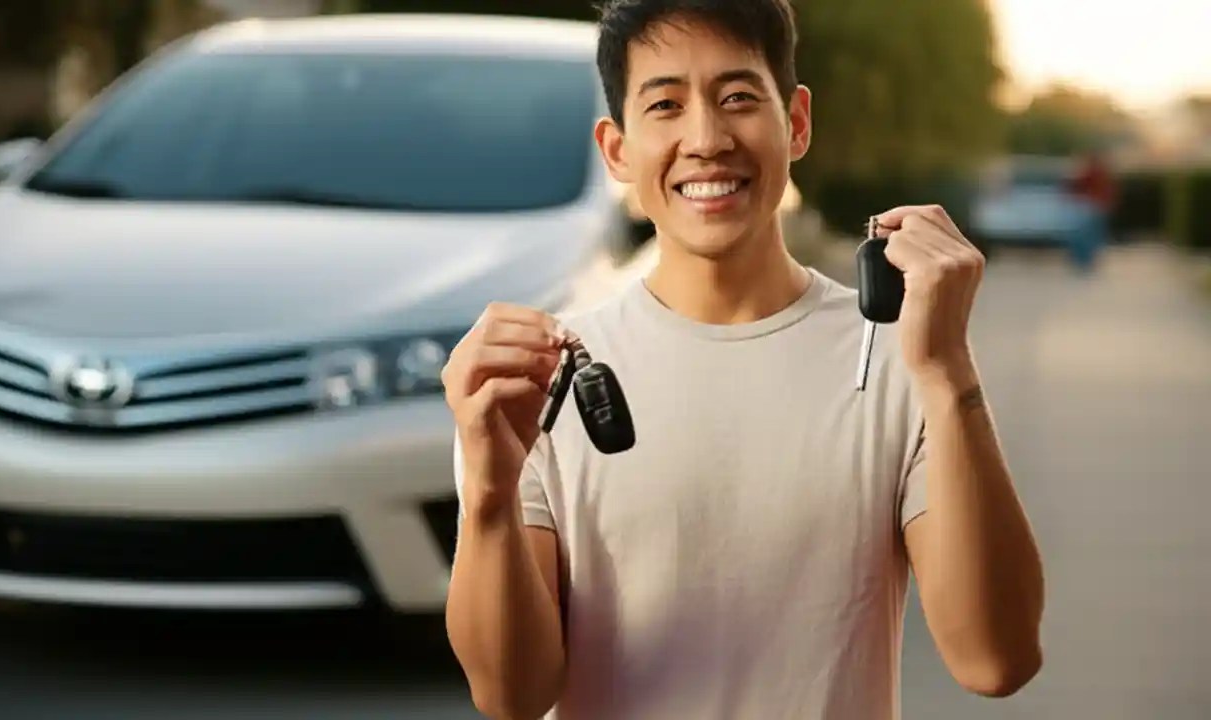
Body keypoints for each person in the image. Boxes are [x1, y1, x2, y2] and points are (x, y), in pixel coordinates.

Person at [441, 1, 1045, 718]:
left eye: (737, 98)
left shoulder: (901, 357)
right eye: (665, 105)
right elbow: (511, 696)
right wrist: (489, 494)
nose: (706, 139)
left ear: (797, 122)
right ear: (618, 150)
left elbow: (995, 658)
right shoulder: (542, 381)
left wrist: (949, 373)